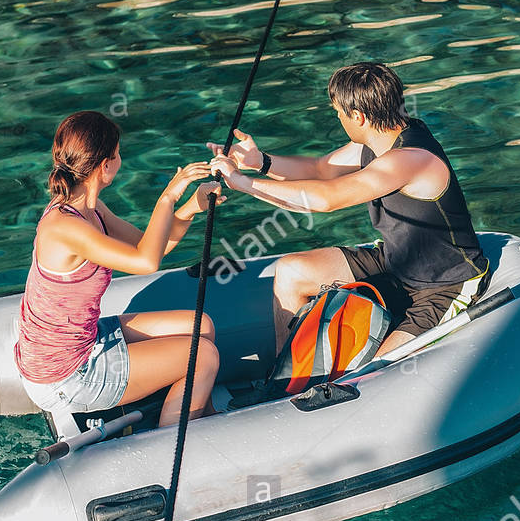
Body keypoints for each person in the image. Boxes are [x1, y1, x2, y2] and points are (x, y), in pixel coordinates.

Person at [209, 61, 489, 359]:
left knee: (377, 370)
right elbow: (321, 169)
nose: (339, 117)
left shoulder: (409, 159)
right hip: (394, 265)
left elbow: (327, 199)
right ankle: (287, 374)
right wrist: (260, 162)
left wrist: (241, 183)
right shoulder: (380, 138)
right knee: (291, 271)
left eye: (339, 112)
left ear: (358, 116)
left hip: (444, 285)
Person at [15, 110, 221, 428]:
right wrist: (168, 196)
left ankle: (199, 416)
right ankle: (170, 439)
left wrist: (192, 205)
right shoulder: (66, 227)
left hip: (84, 342)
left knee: (201, 326)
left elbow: (153, 245)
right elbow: (146, 263)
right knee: (204, 355)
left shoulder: (89, 209)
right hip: (67, 375)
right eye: (118, 152)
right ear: (105, 165)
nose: (120, 158)